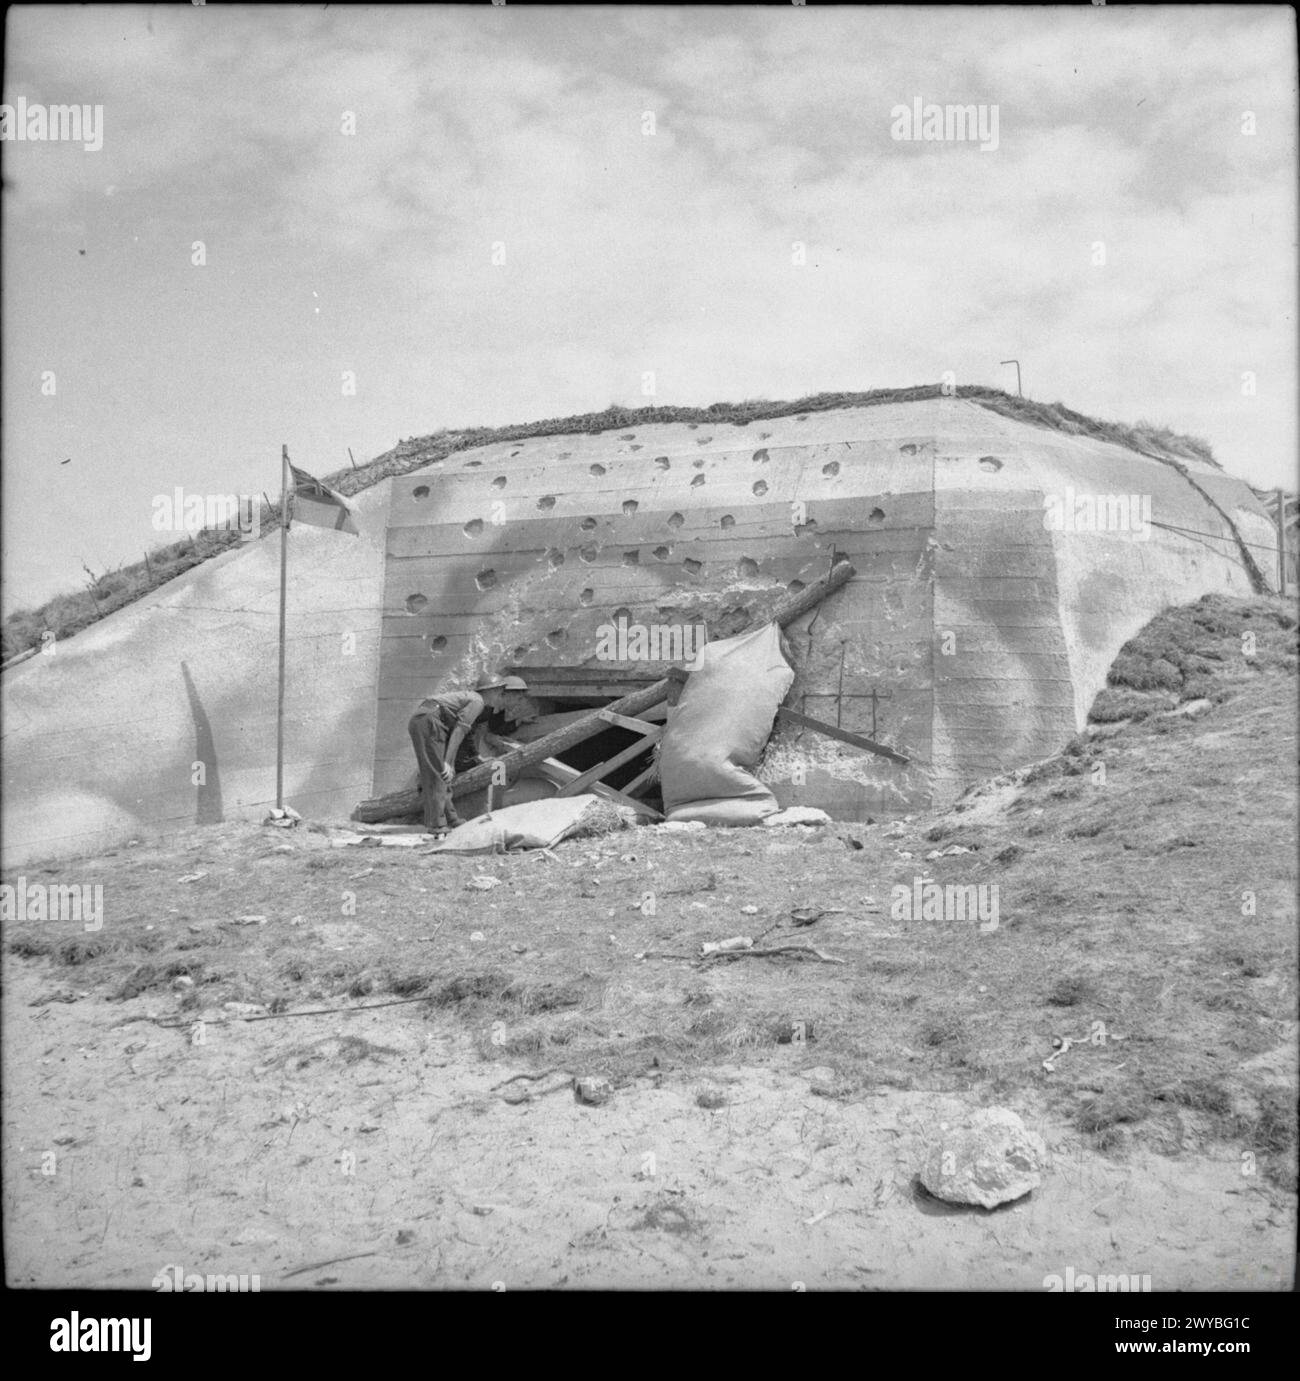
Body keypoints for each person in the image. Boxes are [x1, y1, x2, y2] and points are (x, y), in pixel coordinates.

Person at [407, 675, 531, 832]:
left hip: (431, 721)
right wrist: (449, 761)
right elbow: (461, 731)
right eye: (501, 693)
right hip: (429, 721)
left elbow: (477, 729)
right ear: (493, 692)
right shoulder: (478, 702)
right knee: (437, 775)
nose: (502, 697)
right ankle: (437, 826)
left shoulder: (480, 703)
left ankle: (452, 819)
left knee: (442, 776)